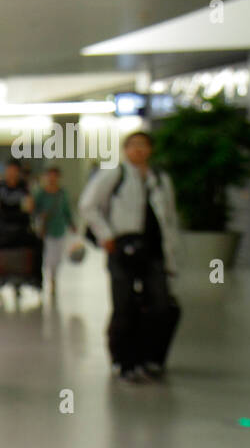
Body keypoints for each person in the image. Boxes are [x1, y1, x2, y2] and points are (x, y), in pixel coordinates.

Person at [78, 131, 182, 383]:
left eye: (143, 146)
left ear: (150, 149)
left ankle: (150, 357)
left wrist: (172, 255)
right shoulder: (115, 174)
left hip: (153, 250)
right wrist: (106, 235)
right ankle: (123, 360)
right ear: (125, 150)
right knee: (124, 305)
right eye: (133, 146)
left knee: (159, 305)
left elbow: (169, 217)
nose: (138, 150)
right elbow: (87, 205)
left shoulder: (159, 179)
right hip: (123, 248)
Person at [0, 158, 41, 296]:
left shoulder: (24, 186)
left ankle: (36, 277)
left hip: (21, 226)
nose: (11, 173)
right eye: (9, 170)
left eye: (14, 170)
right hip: (3, 226)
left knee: (38, 243)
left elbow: (29, 207)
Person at [33, 166, 76, 294]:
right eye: (49, 176)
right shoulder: (41, 194)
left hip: (60, 227)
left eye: (54, 176)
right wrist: (40, 215)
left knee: (58, 256)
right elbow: (34, 210)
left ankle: (54, 276)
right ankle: (50, 278)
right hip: (46, 229)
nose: (52, 178)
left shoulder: (62, 193)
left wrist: (71, 223)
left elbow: (66, 210)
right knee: (49, 256)